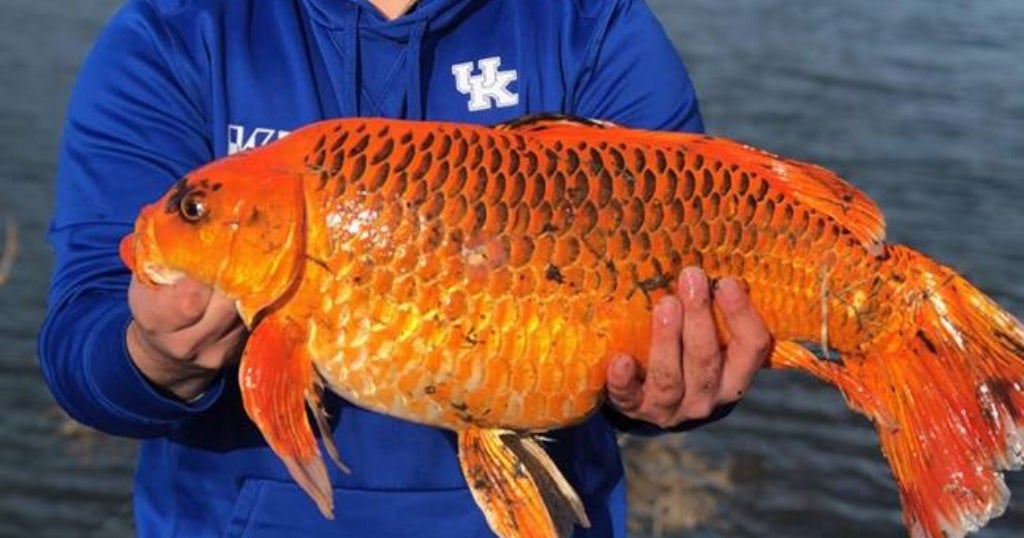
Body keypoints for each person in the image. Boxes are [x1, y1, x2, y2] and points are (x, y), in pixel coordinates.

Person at [39, 0, 771, 536]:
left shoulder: (593, 26)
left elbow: (691, 296)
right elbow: (82, 346)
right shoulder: (173, 33)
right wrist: (152, 357)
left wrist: (673, 387)